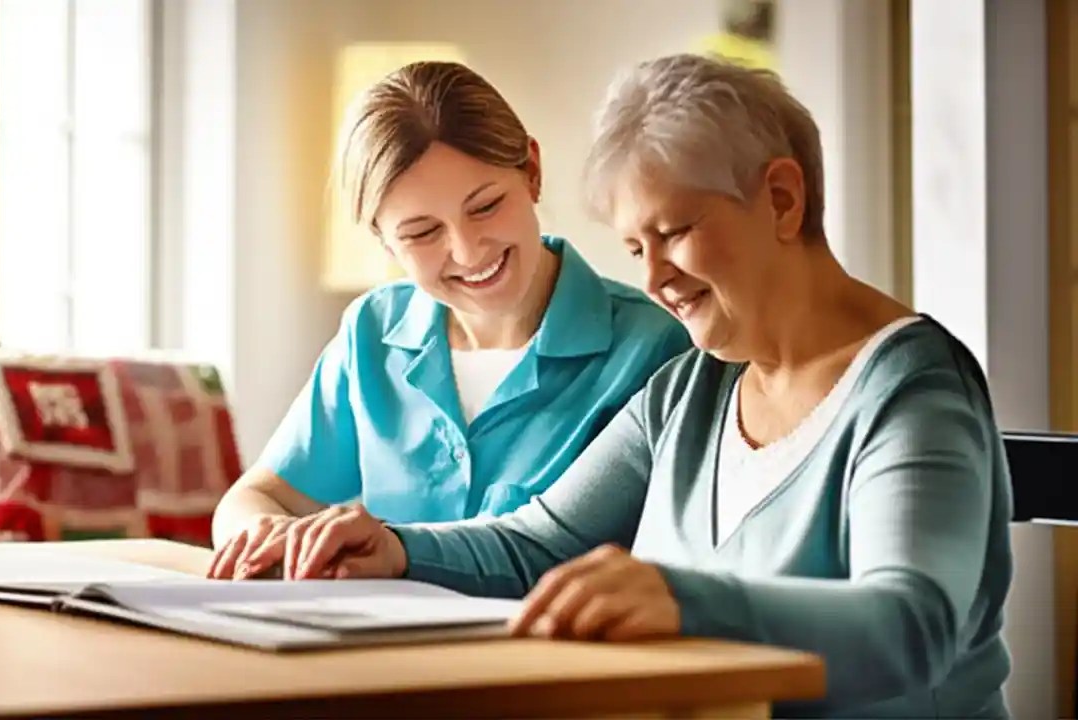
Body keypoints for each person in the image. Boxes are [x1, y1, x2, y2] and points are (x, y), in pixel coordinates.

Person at [273, 54, 1013, 719]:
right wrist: (396, 549)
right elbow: (539, 543)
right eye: (636, 248)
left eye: (675, 232)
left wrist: (678, 599)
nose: (654, 280)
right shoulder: (691, 388)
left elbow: (914, 626)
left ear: (782, 199)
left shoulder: (912, 389)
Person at [207, 61, 691, 580]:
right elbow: (256, 497)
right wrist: (269, 536)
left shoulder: (654, 349)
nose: (466, 249)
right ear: (383, 240)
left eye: (485, 207)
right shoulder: (373, 333)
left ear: (532, 171)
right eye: (421, 233)